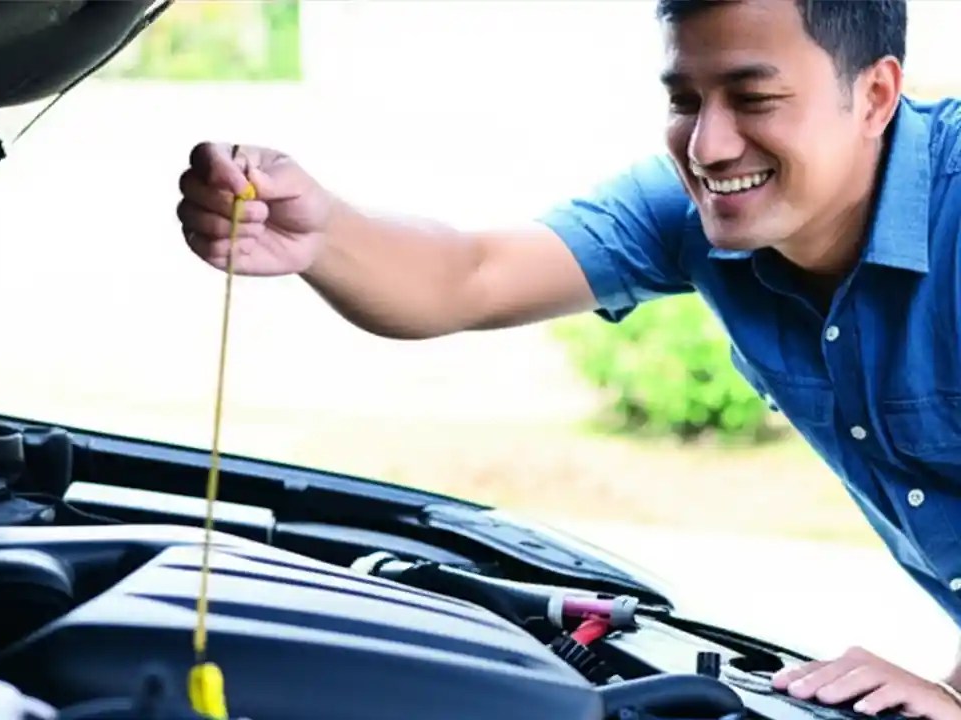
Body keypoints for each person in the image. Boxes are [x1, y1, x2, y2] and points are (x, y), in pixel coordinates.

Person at [176, 0, 961, 716]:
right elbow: (470, 276)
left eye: (753, 99)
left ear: (876, 97)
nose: (708, 145)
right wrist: (321, 233)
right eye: (684, 100)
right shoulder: (689, 210)